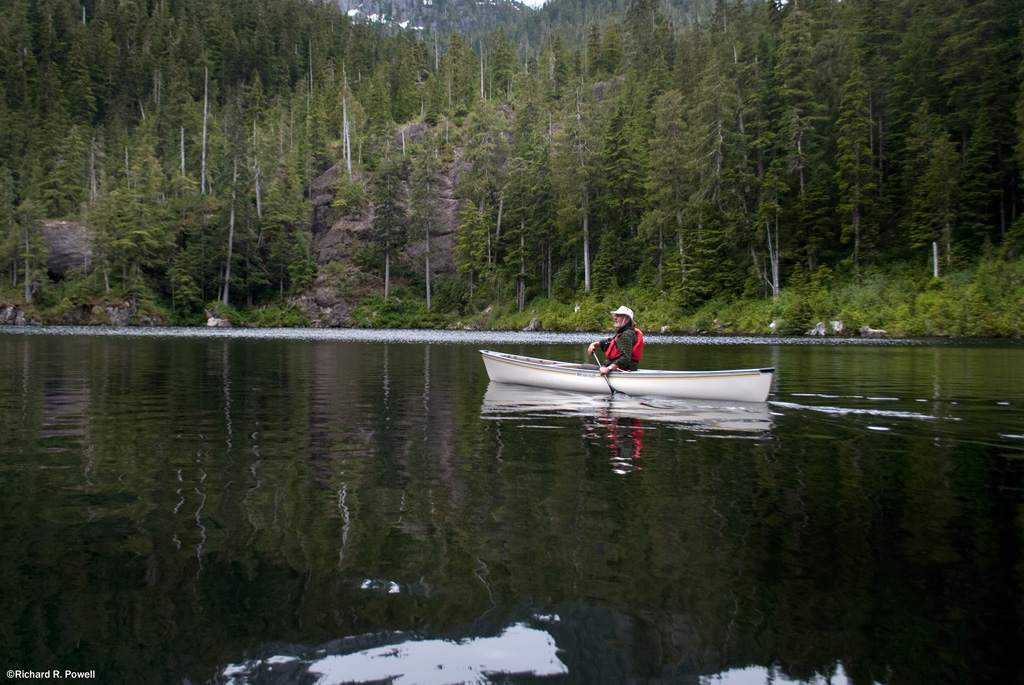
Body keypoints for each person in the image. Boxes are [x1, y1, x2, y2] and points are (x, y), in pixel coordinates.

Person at [587, 306, 642, 376]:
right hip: (619, 368)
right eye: (615, 316)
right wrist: (594, 344)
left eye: (618, 316)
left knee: (583, 367)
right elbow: (611, 342)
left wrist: (608, 368)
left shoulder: (626, 334)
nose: (615, 318)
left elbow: (625, 358)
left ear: (627, 319)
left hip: (622, 370)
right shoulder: (624, 333)